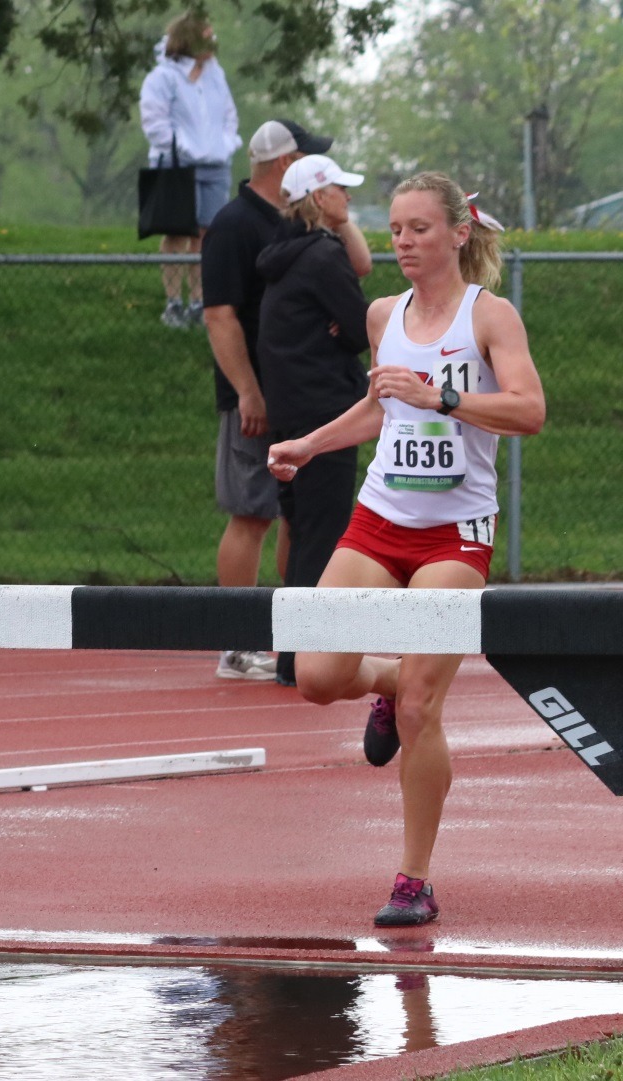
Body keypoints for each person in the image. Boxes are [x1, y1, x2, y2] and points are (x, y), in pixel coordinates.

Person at [267, 173, 545, 927]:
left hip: (456, 532)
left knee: (424, 707)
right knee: (316, 675)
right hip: (380, 518)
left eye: (419, 228)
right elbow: (377, 408)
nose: (403, 242)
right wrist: (308, 444)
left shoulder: (490, 316)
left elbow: (529, 410)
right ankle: (388, 679)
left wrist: (444, 397)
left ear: (458, 232)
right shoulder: (383, 314)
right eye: (395, 230)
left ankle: (413, 880)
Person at [200, 118, 341, 682]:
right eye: (308, 158)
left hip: (295, 394)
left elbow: (355, 267)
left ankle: (291, 636)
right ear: (286, 164)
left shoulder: (290, 221)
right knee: (252, 513)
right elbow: (219, 315)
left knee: (294, 516)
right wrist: (247, 391)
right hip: (257, 396)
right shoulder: (234, 224)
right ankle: (237, 645)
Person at [256, 155, 373, 685]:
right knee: (323, 534)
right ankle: (303, 659)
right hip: (325, 412)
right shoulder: (324, 256)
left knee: (304, 532)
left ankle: (290, 655)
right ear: (320, 198)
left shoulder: (284, 254)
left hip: (288, 410)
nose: (348, 198)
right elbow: (362, 328)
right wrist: (345, 329)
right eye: (340, 190)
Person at [139, 11, 239, 329]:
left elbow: (228, 115)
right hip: (177, 165)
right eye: (207, 38)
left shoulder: (215, 75)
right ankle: (173, 303)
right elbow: (154, 122)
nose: (213, 44)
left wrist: (225, 144)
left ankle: (199, 302)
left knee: (208, 235)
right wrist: (184, 147)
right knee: (177, 231)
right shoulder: (163, 77)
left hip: (216, 165)